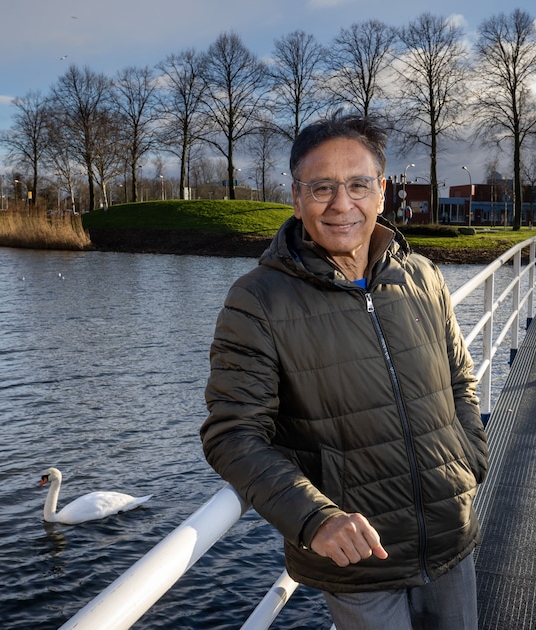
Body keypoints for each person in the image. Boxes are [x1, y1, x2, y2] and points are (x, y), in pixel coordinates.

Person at [200, 113, 489, 629]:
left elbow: (459, 379)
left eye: (358, 185)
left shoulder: (422, 276)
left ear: (381, 192)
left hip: (450, 532)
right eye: (322, 188)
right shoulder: (258, 301)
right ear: (296, 197)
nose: (341, 204)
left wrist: (469, 461)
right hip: (358, 558)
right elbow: (233, 435)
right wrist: (314, 519)